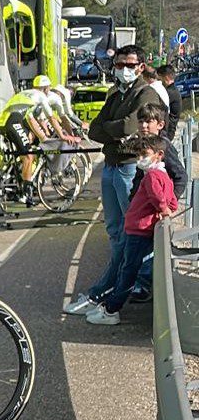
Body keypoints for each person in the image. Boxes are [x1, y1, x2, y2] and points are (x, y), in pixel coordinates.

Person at [66, 45, 162, 315]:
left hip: (129, 166)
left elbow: (129, 126)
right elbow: (95, 129)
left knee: (133, 231)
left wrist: (111, 128)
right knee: (115, 229)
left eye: (129, 65)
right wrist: (113, 130)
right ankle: (121, 280)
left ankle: (133, 283)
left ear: (141, 67)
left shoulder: (146, 93)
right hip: (111, 165)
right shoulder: (117, 93)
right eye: (119, 65)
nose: (123, 70)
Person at [82, 134, 179, 325]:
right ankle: (111, 305)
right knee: (129, 268)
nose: (140, 159)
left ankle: (112, 309)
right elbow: (172, 201)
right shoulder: (165, 176)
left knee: (128, 270)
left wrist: (163, 209)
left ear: (159, 155)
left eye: (145, 154)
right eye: (139, 155)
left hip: (138, 230)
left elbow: (157, 198)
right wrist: (167, 209)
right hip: (142, 229)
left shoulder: (152, 176)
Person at [125, 102, 186, 303]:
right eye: (140, 121)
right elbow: (139, 179)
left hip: (155, 210)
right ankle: (136, 284)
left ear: (159, 124)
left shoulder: (161, 147)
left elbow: (180, 176)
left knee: (148, 251)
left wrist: (168, 203)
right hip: (143, 208)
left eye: (148, 122)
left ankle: (142, 286)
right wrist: (133, 199)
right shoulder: (145, 145)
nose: (143, 126)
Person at [158, 63, 182, 139]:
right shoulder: (172, 90)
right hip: (167, 129)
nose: (159, 82)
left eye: (159, 78)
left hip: (167, 131)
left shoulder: (170, 92)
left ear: (166, 77)